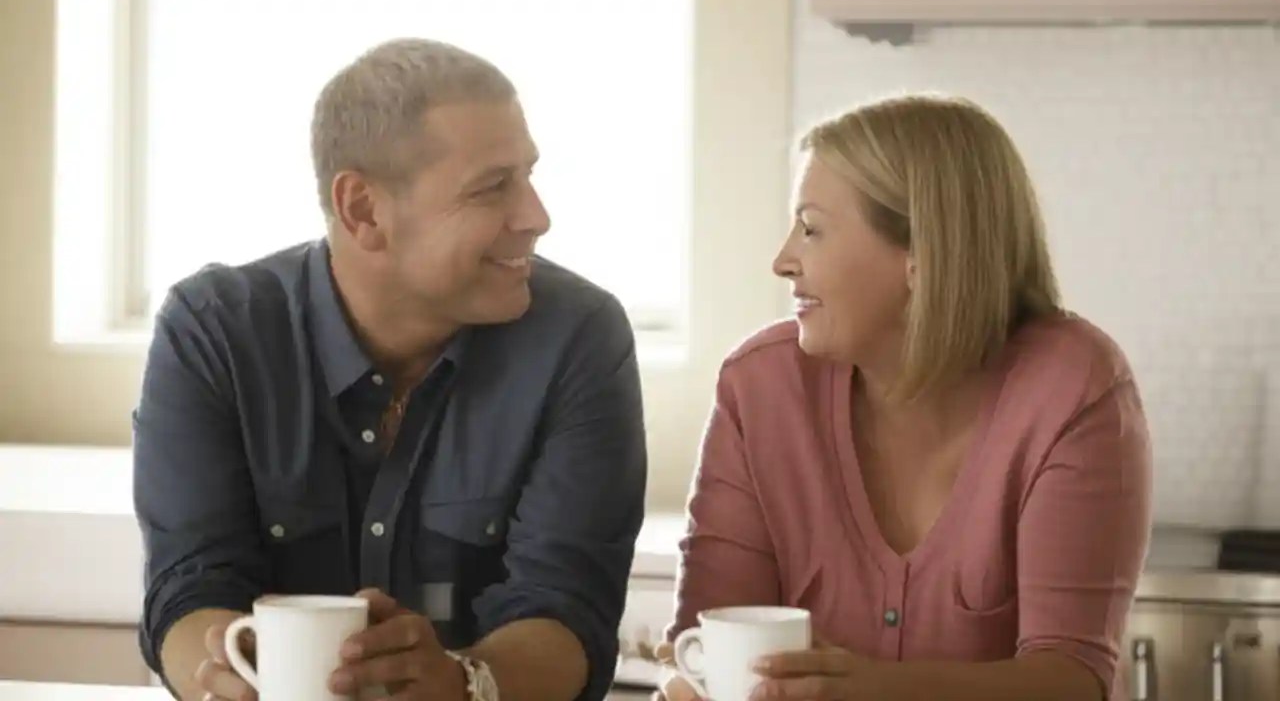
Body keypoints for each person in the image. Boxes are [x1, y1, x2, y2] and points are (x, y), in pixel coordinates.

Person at [132, 38, 647, 701]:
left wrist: (463, 685)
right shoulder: (212, 333)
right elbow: (190, 586)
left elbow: (568, 609)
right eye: (493, 188)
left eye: (528, 175)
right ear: (363, 209)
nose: (537, 217)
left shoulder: (578, 337)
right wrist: (226, 677)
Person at [659, 95, 1152, 701]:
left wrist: (873, 691)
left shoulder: (1072, 389)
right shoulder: (759, 389)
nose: (783, 261)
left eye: (811, 229)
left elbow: (1070, 679)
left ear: (921, 256)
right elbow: (707, 641)